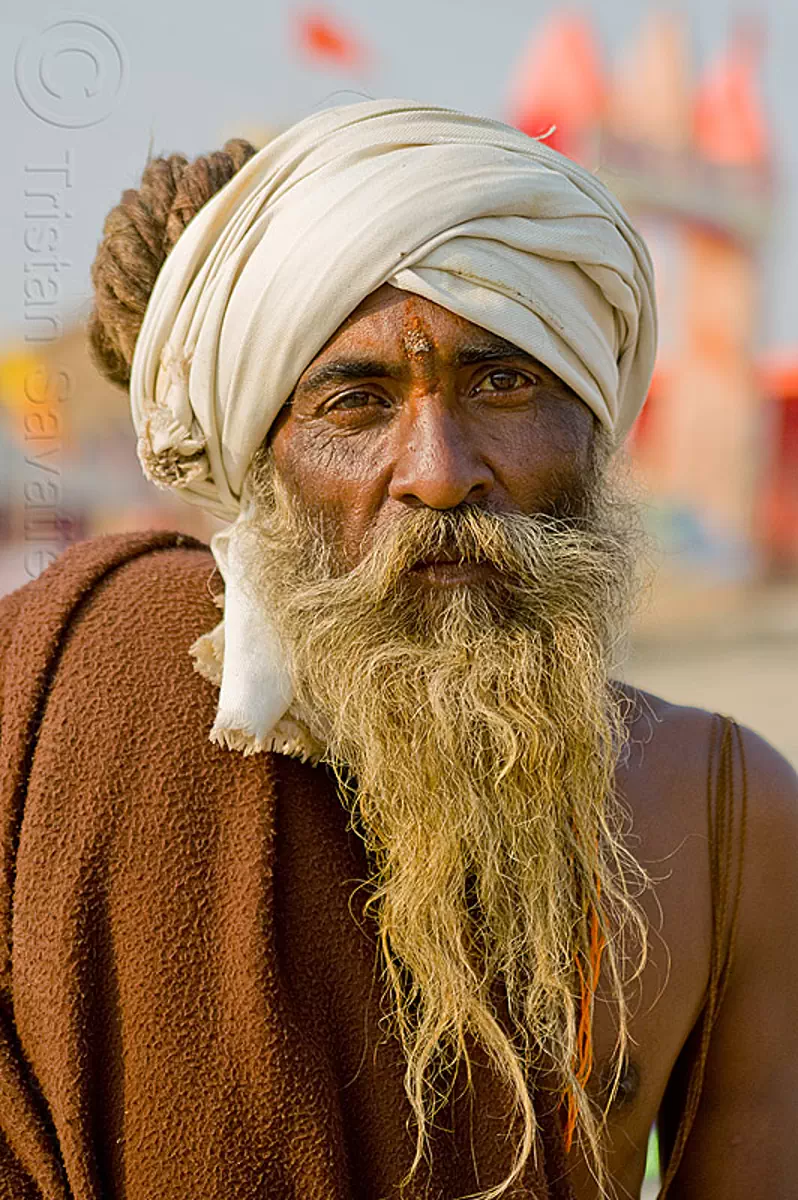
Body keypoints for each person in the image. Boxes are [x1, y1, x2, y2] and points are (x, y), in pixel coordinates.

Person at [0, 100, 796, 1200]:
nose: (439, 471)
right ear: (264, 460)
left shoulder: (724, 814)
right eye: (357, 402)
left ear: (595, 425)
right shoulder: (87, 716)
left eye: (504, 383)